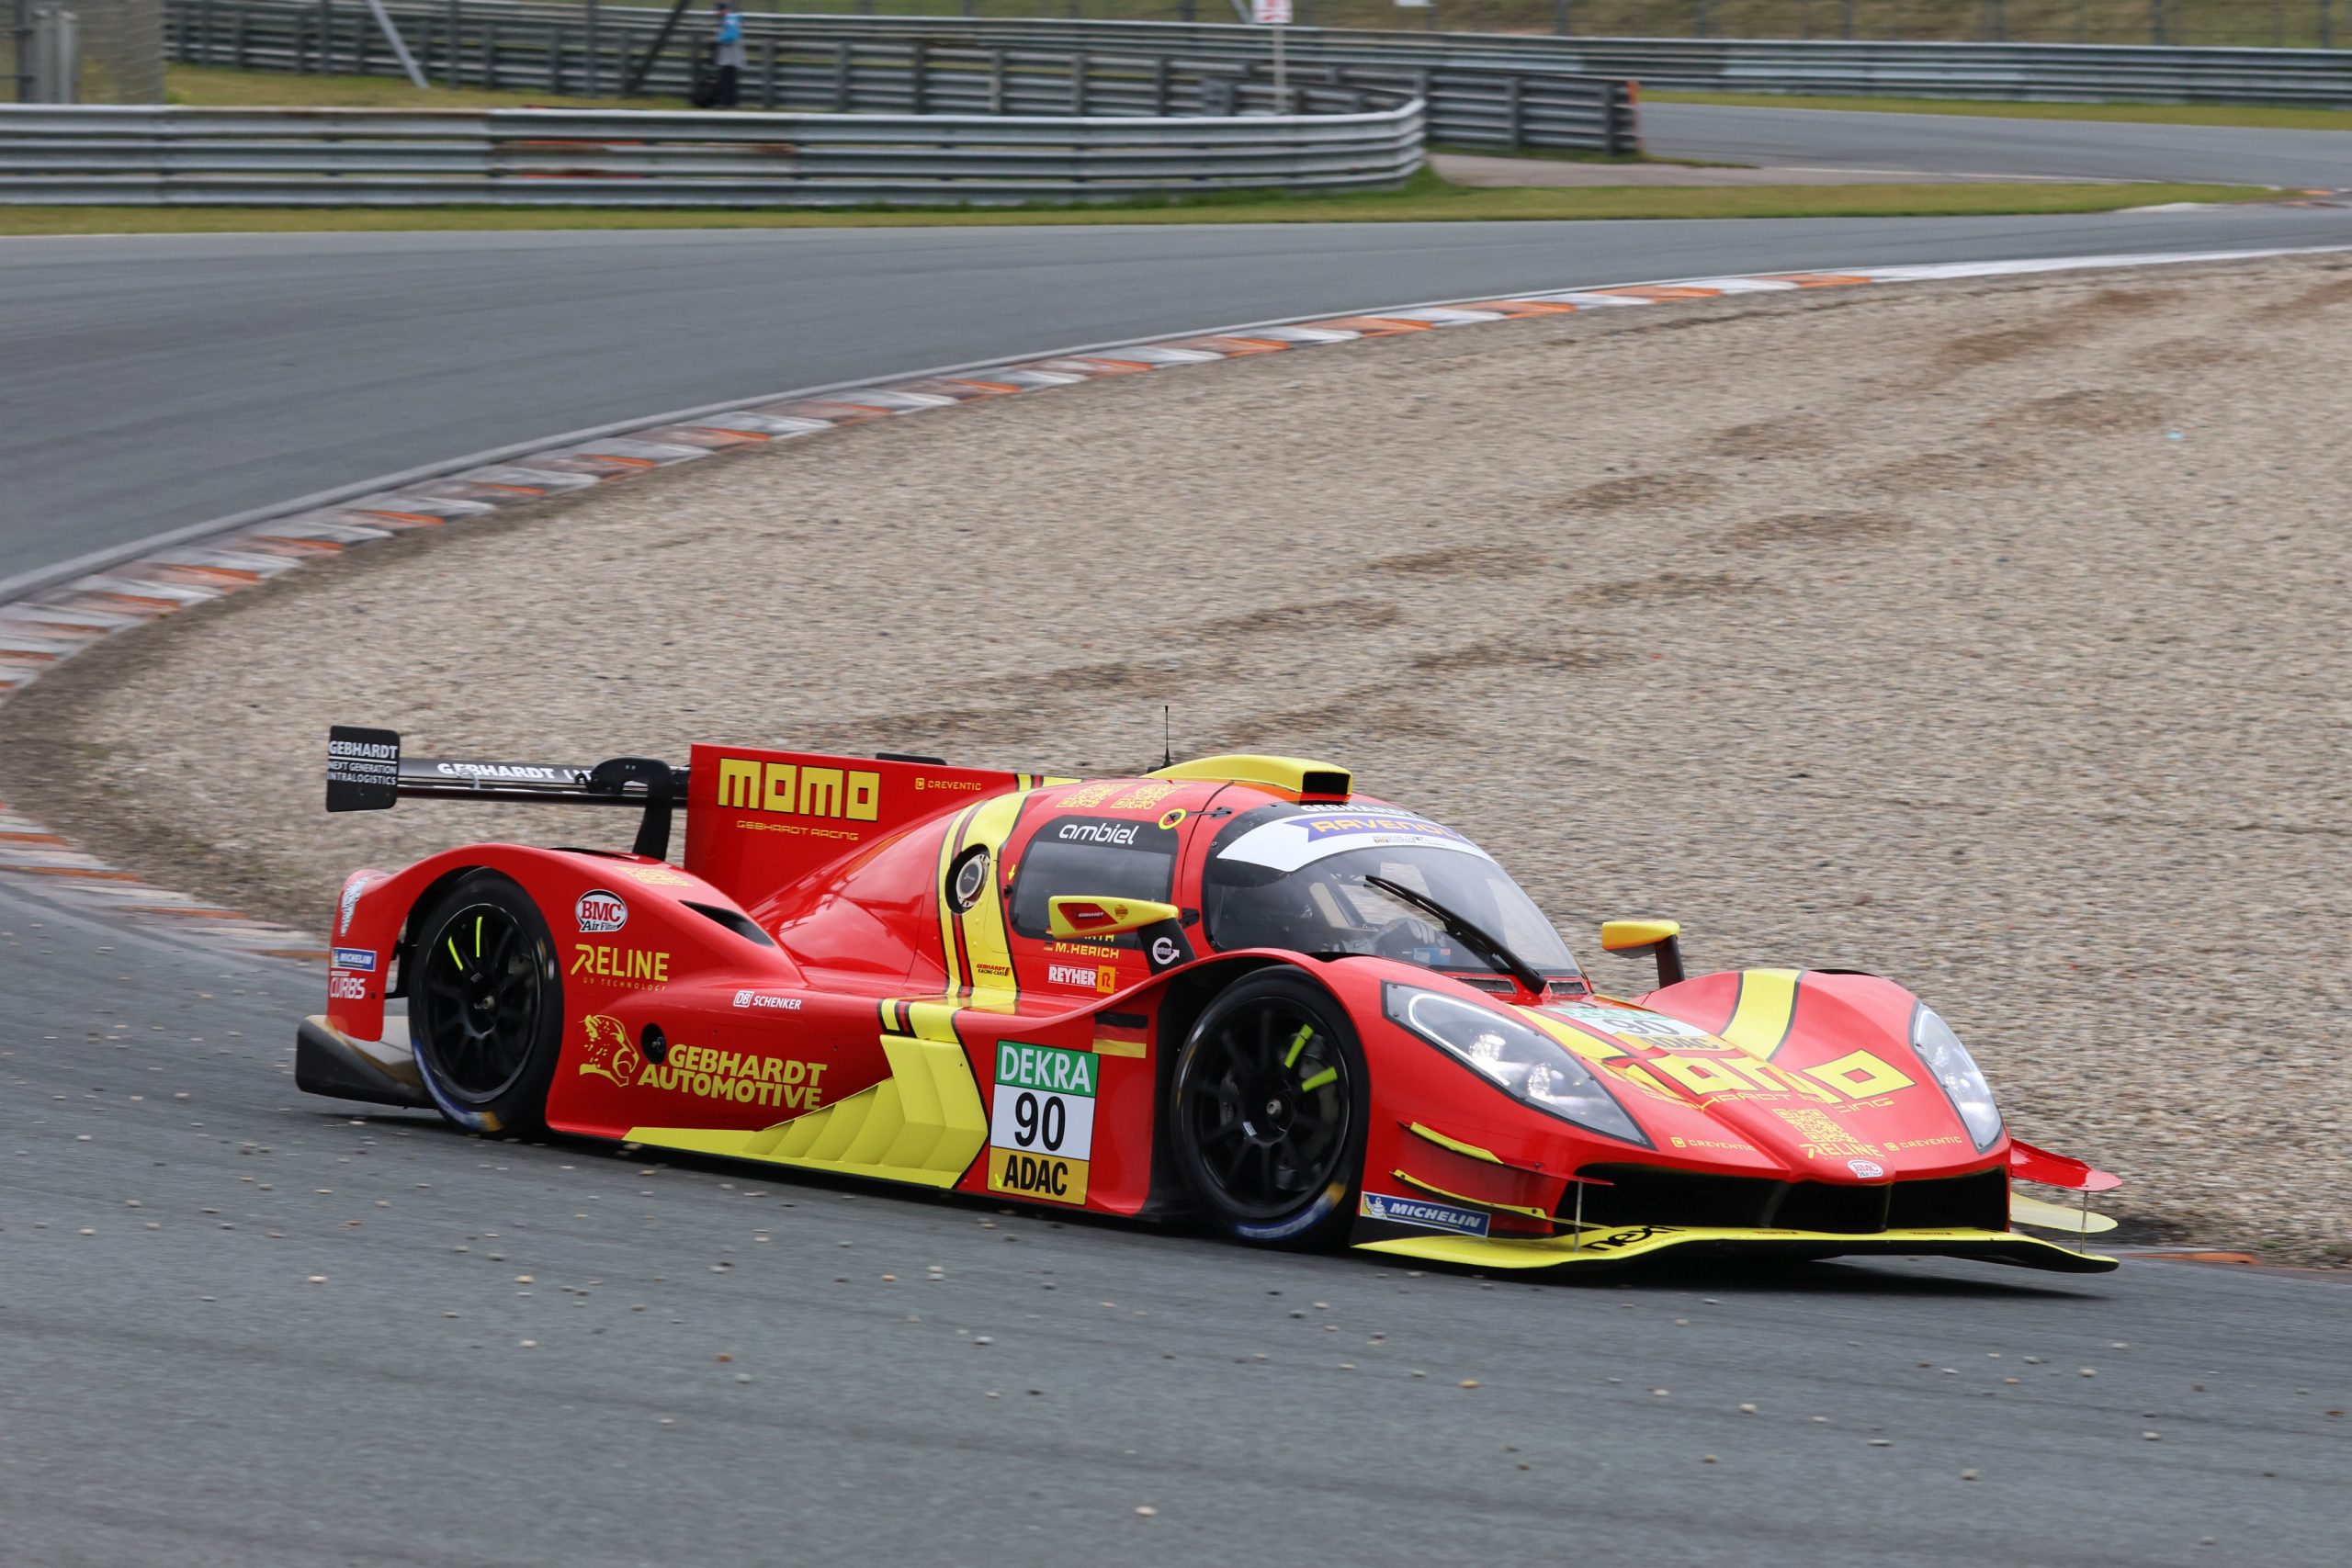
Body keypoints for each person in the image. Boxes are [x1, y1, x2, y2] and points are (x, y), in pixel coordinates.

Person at [710, 1, 744, 109]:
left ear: (725, 10)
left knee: (728, 79)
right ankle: (730, 102)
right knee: (728, 79)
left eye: (719, 10)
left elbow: (732, 35)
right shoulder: (727, 20)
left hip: (730, 56)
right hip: (728, 56)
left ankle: (729, 103)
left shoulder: (730, 20)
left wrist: (717, 40)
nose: (717, 13)